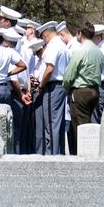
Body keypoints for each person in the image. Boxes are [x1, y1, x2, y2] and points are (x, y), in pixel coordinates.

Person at [62, 22, 104, 154]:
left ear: (80, 34)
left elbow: (69, 74)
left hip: (80, 92)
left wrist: (67, 87)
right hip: (94, 91)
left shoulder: (80, 51)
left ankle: (82, 158)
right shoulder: (98, 52)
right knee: (88, 125)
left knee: (79, 129)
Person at [33, 21, 69, 155]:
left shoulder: (53, 46)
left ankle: (52, 155)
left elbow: (49, 69)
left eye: (43, 37)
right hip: (60, 86)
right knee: (57, 123)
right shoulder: (63, 45)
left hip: (52, 87)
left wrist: (41, 86)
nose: (43, 40)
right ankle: (58, 153)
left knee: (51, 123)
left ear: (46, 34)